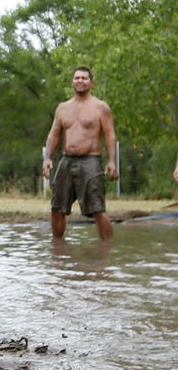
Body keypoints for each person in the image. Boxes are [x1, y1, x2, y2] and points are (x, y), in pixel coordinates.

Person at [43, 67, 119, 241]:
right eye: (77, 77)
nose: (80, 81)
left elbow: (110, 135)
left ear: (91, 82)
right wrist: (47, 158)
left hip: (91, 161)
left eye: (84, 78)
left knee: (98, 208)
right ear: (72, 81)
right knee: (57, 208)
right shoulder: (63, 108)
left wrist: (112, 161)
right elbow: (54, 135)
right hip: (66, 160)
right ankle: (58, 249)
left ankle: (107, 251)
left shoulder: (100, 107)